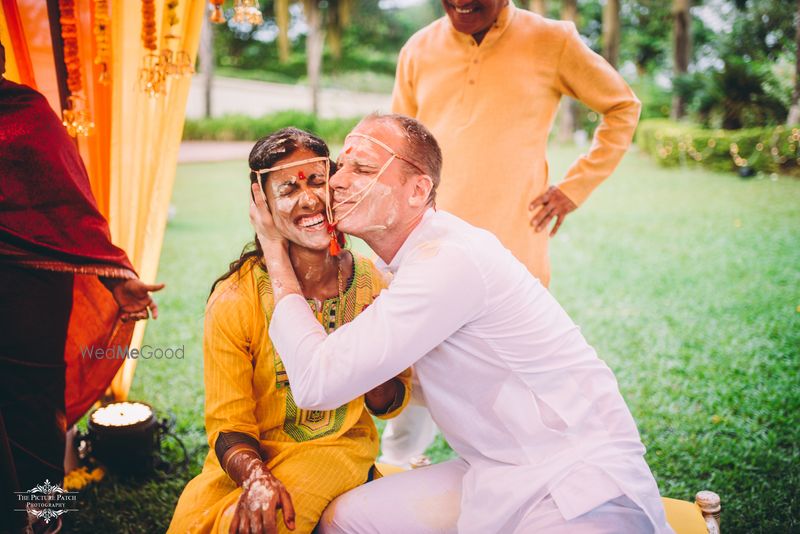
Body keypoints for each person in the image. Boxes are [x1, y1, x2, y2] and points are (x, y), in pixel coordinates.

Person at [249, 114, 673, 533]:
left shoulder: (448, 260)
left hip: (577, 478)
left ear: (418, 191)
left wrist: (274, 253)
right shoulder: (399, 261)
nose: (337, 182)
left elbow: (316, 382)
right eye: (341, 167)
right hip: (493, 472)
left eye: (362, 169)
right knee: (346, 521)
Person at [385, 0, 643, 469]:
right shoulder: (418, 49)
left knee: (514, 392)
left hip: (513, 251)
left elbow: (622, 106)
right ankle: (395, 476)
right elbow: (396, 144)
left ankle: (531, 485)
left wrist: (574, 187)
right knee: (412, 374)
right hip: (428, 243)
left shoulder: (553, 40)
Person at [168, 128, 411, 534]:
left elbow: (390, 403)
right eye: (288, 189)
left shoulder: (373, 284)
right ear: (260, 204)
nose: (310, 199)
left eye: (318, 180)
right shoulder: (236, 298)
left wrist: (374, 360)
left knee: (268, 523)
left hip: (337, 449)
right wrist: (256, 477)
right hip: (250, 461)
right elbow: (228, 424)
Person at [0, 41, 164, 533]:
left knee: (35, 410)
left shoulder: (28, 113)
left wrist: (116, 277)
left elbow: (69, 208)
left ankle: (48, 520)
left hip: (28, 290)